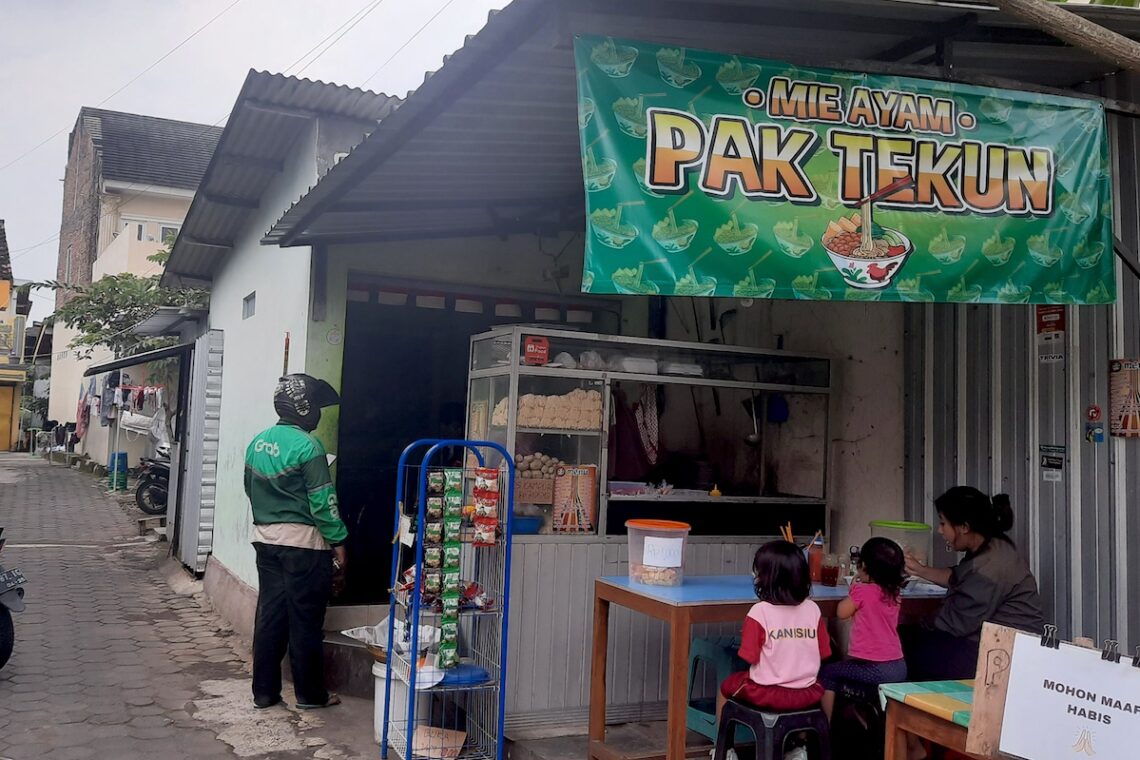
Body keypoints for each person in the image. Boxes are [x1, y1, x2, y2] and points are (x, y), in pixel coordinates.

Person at [246, 374, 348, 710]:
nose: (318, 413)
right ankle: (310, 695)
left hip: (265, 541)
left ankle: (264, 693)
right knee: (305, 621)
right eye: (316, 406)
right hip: (304, 546)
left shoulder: (258, 442)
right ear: (303, 408)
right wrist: (339, 542)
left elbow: (250, 488)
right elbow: (323, 501)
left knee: (270, 616)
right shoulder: (309, 447)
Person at [902, 487, 1043, 681]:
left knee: (902, 650)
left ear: (964, 527)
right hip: (991, 642)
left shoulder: (991, 567)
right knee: (905, 640)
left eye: (943, 523)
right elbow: (958, 577)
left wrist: (911, 618)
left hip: (1004, 656)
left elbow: (954, 623)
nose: (940, 530)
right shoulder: (990, 545)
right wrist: (920, 569)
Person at [718, 541, 831, 720]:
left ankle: (722, 745)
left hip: (767, 693)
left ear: (764, 578)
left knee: (725, 687)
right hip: (808, 693)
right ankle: (800, 744)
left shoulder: (759, 612)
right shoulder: (813, 609)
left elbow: (749, 657)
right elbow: (824, 653)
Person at [818, 537, 907, 719]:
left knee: (828, 673)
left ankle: (825, 729)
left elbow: (841, 612)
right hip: (898, 666)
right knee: (844, 669)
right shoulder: (894, 592)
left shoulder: (862, 591)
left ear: (864, 566)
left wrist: (854, 588)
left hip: (874, 669)